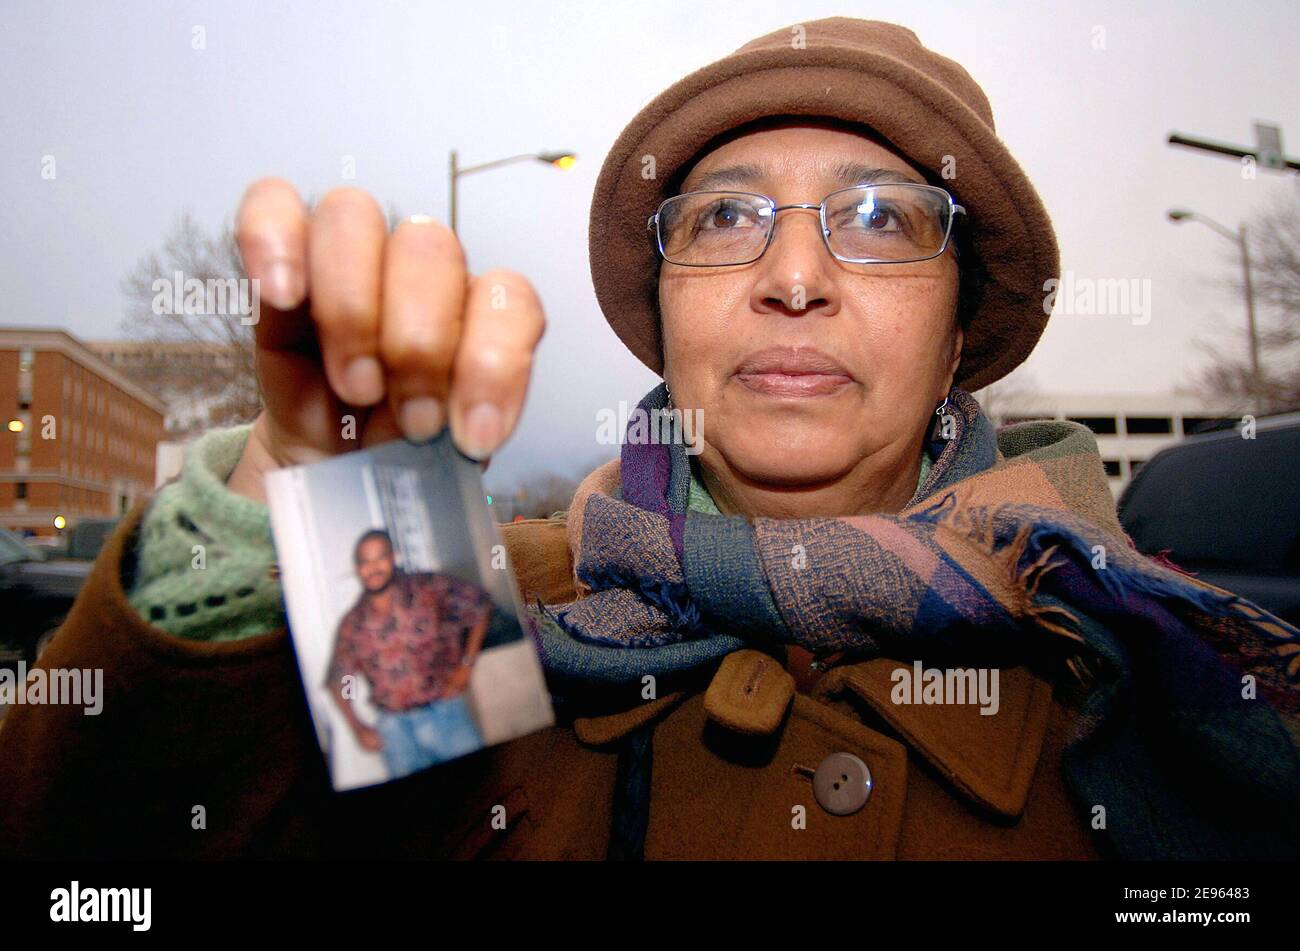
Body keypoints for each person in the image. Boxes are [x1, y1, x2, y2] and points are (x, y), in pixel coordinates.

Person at [1, 17, 1297, 861]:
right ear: (664, 314)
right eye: (727, 220)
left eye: (883, 220)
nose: (794, 274)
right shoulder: (472, 608)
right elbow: (99, 866)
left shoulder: (1153, 666)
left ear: (961, 333)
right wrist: (303, 506)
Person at [327, 529, 488, 777]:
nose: (373, 568)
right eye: (365, 561)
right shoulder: (353, 623)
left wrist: (467, 665)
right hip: (394, 732)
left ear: (394, 557)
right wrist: (357, 726)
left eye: (380, 558)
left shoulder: (429, 588)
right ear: (357, 568)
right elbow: (341, 678)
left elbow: (479, 605)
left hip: (445, 715)